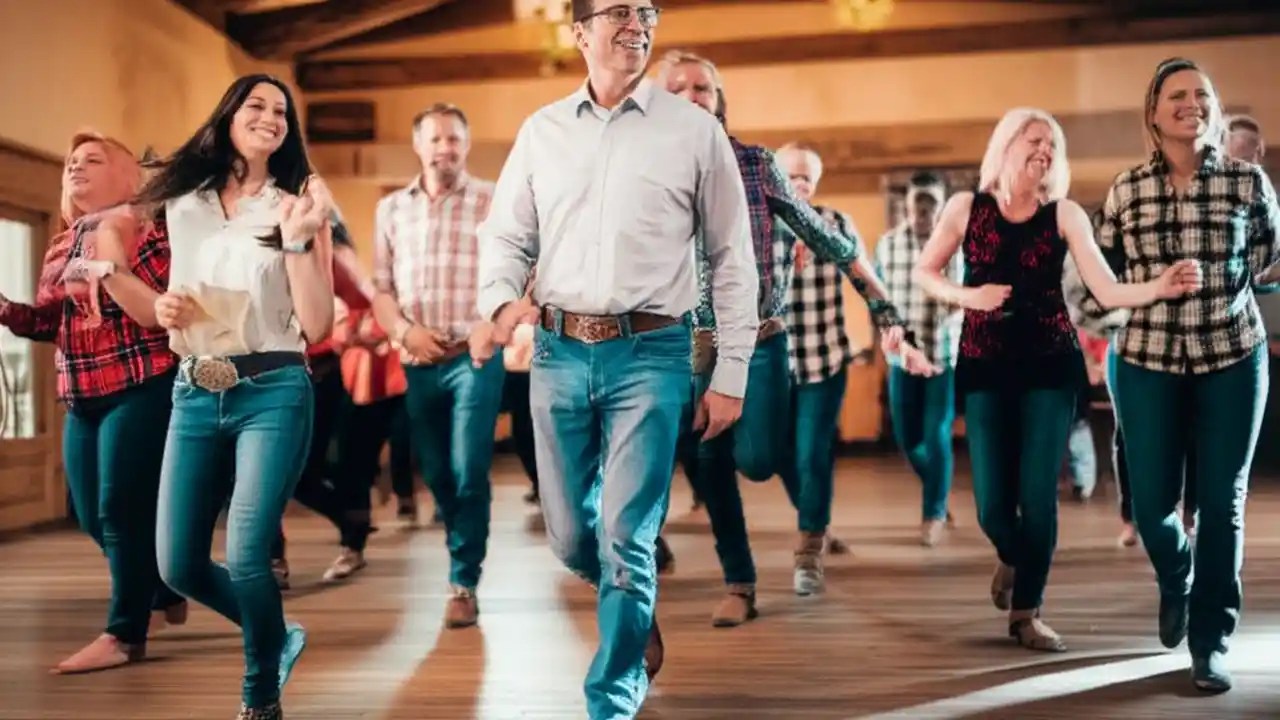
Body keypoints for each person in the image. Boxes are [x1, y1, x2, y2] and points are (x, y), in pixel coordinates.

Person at [470, 1, 759, 715]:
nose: (636, 22)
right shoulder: (541, 133)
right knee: (573, 539)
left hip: (654, 355)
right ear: (579, 31)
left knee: (628, 535)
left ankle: (613, 696)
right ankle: (633, 604)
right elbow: (504, 237)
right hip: (558, 354)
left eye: (646, 10)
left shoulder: (694, 131)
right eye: (618, 10)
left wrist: (730, 372)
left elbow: (732, 260)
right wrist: (503, 301)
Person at [913, 106, 1201, 653]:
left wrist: (1157, 287)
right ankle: (1013, 557)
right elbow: (926, 272)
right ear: (1007, 144)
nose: (1045, 151)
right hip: (984, 366)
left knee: (1038, 495)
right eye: (1035, 140)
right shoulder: (965, 208)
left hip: (1049, 365)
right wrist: (966, 295)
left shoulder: (1065, 215)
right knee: (994, 506)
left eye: (1053, 145)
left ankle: (1028, 611)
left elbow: (1108, 290)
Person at [141, 74, 335, 720]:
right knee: (178, 565)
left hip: (273, 389)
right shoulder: (184, 201)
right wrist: (164, 306)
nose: (271, 118)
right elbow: (175, 292)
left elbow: (319, 324)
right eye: (257, 105)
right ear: (228, 115)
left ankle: (260, 692)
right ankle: (278, 634)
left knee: (249, 554)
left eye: (282, 111)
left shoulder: (297, 204)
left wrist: (303, 238)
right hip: (194, 389)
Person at [1083, 58, 1279, 691]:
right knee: (1152, 506)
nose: (1191, 103)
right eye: (1177, 95)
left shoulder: (1248, 183)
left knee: (1223, 505)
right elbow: (1102, 285)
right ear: (1153, 111)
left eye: (1202, 95)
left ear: (1214, 110)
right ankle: (1177, 575)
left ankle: (1210, 639)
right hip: (1147, 362)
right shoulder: (1126, 190)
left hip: (1232, 355)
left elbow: (1269, 263)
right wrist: (1153, 287)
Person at [0, 131, 186, 673]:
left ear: (128, 177)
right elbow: (51, 323)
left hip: (141, 385)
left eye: (93, 160)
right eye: (71, 163)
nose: (76, 167)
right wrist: (8, 310)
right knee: (87, 514)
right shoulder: (61, 243)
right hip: (82, 395)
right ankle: (161, 591)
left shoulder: (145, 229)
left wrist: (110, 257)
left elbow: (157, 303)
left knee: (120, 512)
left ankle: (124, 635)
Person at [872, 170, 963, 547]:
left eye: (931, 204)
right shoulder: (887, 245)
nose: (924, 211)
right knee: (908, 438)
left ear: (941, 207)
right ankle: (938, 490)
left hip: (942, 358)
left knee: (936, 434)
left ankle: (933, 512)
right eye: (917, 203)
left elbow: (965, 298)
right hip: (902, 361)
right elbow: (877, 299)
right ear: (907, 205)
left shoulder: (958, 245)